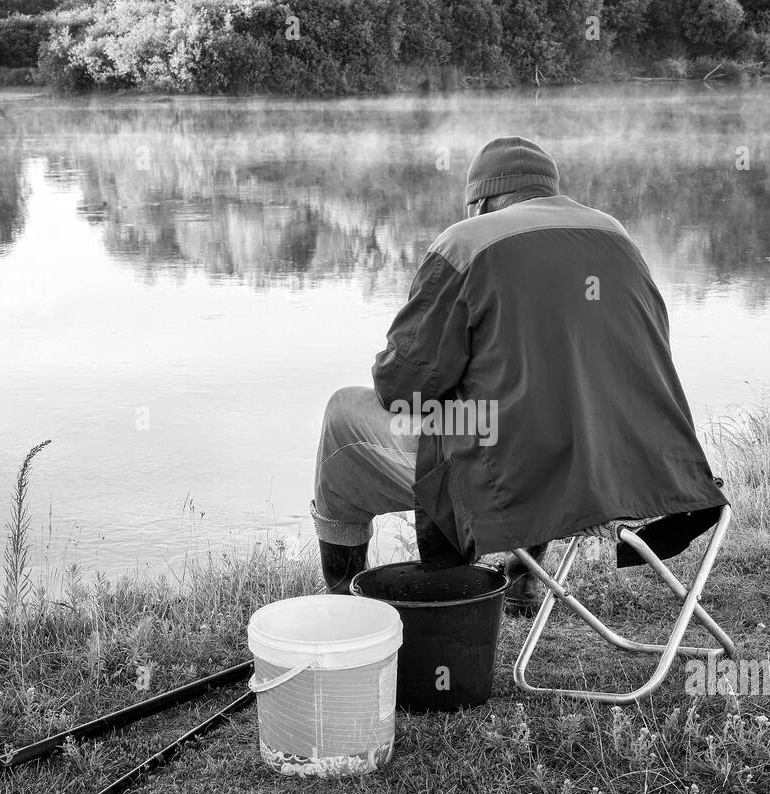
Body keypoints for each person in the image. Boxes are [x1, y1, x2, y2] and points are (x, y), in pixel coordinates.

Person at [310, 136, 726, 612]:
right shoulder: (615, 235)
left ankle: (342, 607)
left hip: (517, 476)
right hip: (634, 466)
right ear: (549, 192)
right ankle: (524, 577)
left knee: (343, 412)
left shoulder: (466, 243)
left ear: (482, 202)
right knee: (543, 398)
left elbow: (402, 387)